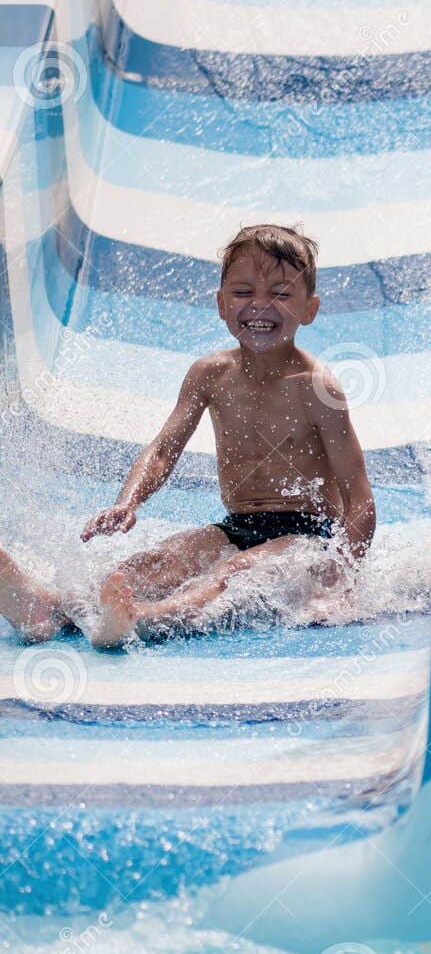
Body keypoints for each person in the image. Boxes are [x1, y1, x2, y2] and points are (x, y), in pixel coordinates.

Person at [0, 224, 375, 648]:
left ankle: (137, 620)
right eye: (243, 292)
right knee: (156, 563)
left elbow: (359, 499)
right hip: (238, 525)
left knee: (232, 575)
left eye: (280, 294)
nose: (259, 305)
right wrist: (129, 500)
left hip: (309, 537)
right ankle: (47, 608)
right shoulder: (211, 375)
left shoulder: (316, 387)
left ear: (310, 309)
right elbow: (163, 450)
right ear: (220, 304)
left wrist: (343, 581)